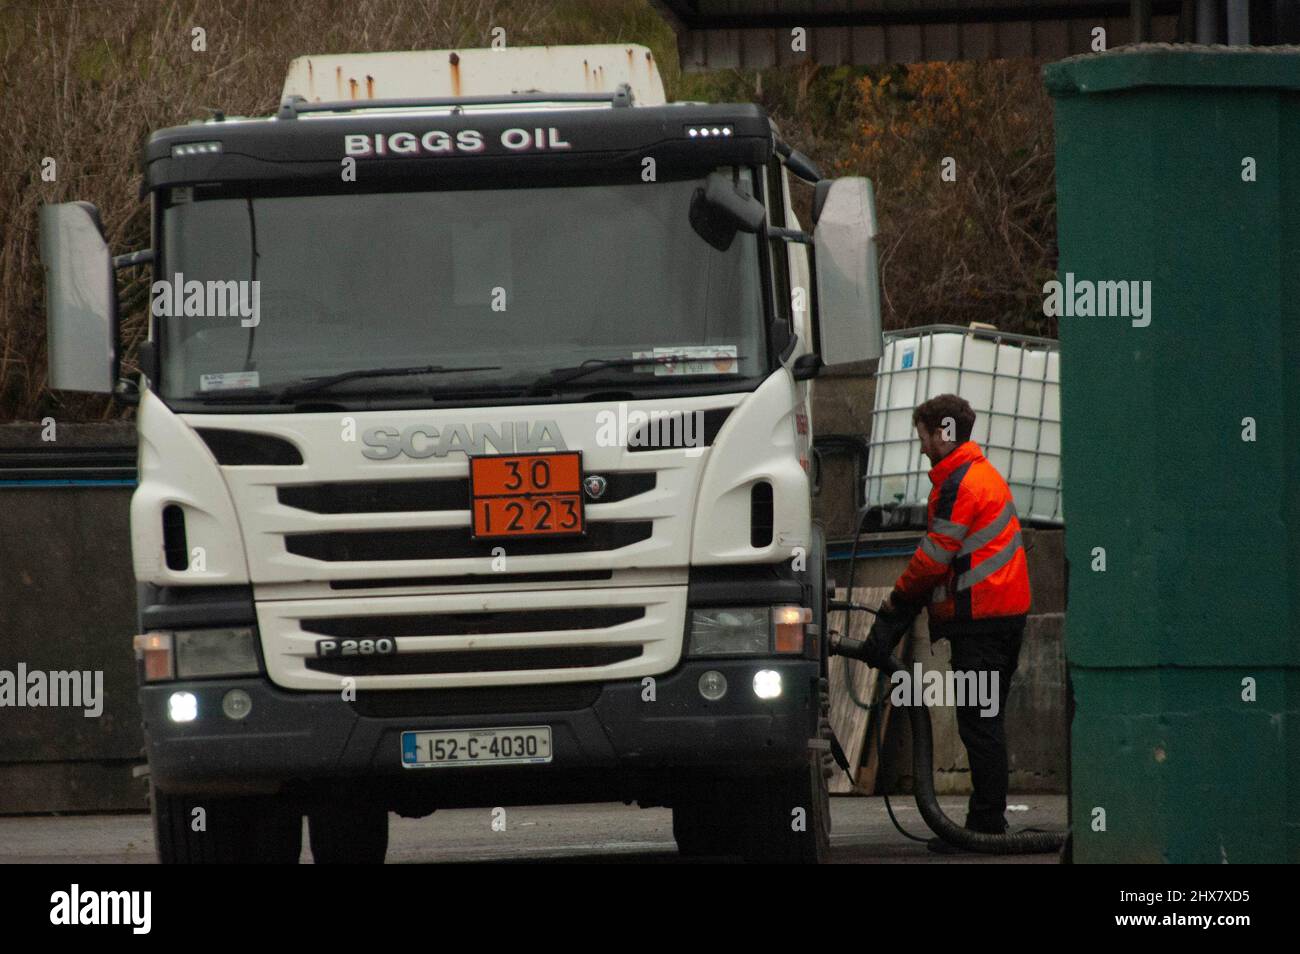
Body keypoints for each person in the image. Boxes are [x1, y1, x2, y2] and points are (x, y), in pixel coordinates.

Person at [839, 393, 1032, 844]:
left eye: (924, 435)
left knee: (979, 724)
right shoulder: (979, 476)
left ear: (942, 434)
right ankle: (987, 823)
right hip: (1000, 619)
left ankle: (985, 828)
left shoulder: (960, 484)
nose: (922, 446)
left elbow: (931, 560)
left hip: (982, 622)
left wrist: (892, 611)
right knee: (985, 720)